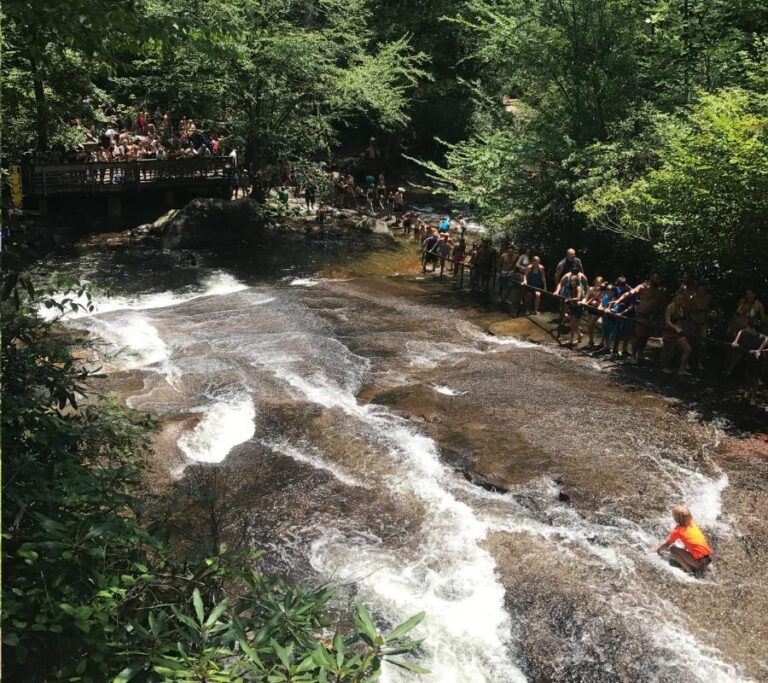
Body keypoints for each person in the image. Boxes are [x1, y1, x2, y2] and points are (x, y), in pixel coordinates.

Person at [615, 273, 666, 364]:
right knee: (638, 336)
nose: (657, 280)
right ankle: (633, 355)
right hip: (642, 315)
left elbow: (662, 305)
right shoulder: (643, 287)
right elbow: (629, 293)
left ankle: (640, 354)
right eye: (656, 278)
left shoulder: (661, 291)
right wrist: (619, 300)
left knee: (645, 337)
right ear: (651, 278)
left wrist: (661, 319)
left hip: (652, 317)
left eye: (659, 278)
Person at [648, 505, 712, 575]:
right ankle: (696, 565)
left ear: (675, 519)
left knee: (672, 549)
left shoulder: (678, 530)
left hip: (699, 563)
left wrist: (657, 550)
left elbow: (667, 544)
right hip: (708, 559)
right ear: (689, 516)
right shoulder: (692, 524)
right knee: (687, 547)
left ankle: (688, 569)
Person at [727, 317, 766, 404]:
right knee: (747, 376)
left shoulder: (762, 337)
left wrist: (759, 351)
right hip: (749, 359)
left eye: (747, 326)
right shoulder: (746, 334)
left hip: (758, 361)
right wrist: (735, 342)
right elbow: (741, 332)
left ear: (752, 328)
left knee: (756, 379)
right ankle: (748, 390)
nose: (746, 328)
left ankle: (753, 397)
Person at [684, 282, 713, 371]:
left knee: (703, 343)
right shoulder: (692, 298)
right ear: (696, 290)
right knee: (691, 341)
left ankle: (700, 362)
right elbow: (687, 311)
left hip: (703, 322)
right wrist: (687, 323)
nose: (701, 292)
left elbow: (712, 308)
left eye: (703, 290)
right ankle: (688, 361)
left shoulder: (709, 297)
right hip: (693, 321)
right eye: (699, 290)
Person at [661, 293, 692, 375]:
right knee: (669, 351)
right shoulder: (670, 307)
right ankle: (664, 367)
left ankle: (681, 369)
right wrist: (676, 328)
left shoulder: (681, 308)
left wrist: (684, 328)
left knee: (687, 349)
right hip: (670, 332)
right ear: (675, 298)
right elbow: (667, 321)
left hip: (679, 333)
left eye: (682, 299)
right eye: (679, 298)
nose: (680, 300)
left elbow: (681, 320)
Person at [581, 276, 605, 348]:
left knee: (590, 325)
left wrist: (597, 303)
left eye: (600, 283)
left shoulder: (603, 291)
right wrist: (584, 301)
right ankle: (591, 341)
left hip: (598, 310)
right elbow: (586, 297)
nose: (598, 284)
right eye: (597, 282)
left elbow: (603, 302)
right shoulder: (591, 289)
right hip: (591, 309)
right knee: (591, 326)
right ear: (594, 282)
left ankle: (601, 342)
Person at [564, 274, 585, 346]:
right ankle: (580, 335)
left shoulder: (578, 288)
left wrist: (570, 299)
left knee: (572, 325)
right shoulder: (570, 288)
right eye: (571, 281)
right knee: (574, 324)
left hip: (578, 308)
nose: (572, 283)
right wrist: (569, 302)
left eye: (574, 281)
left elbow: (578, 298)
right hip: (572, 307)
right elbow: (570, 296)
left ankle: (571, 340)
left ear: (577, 282)